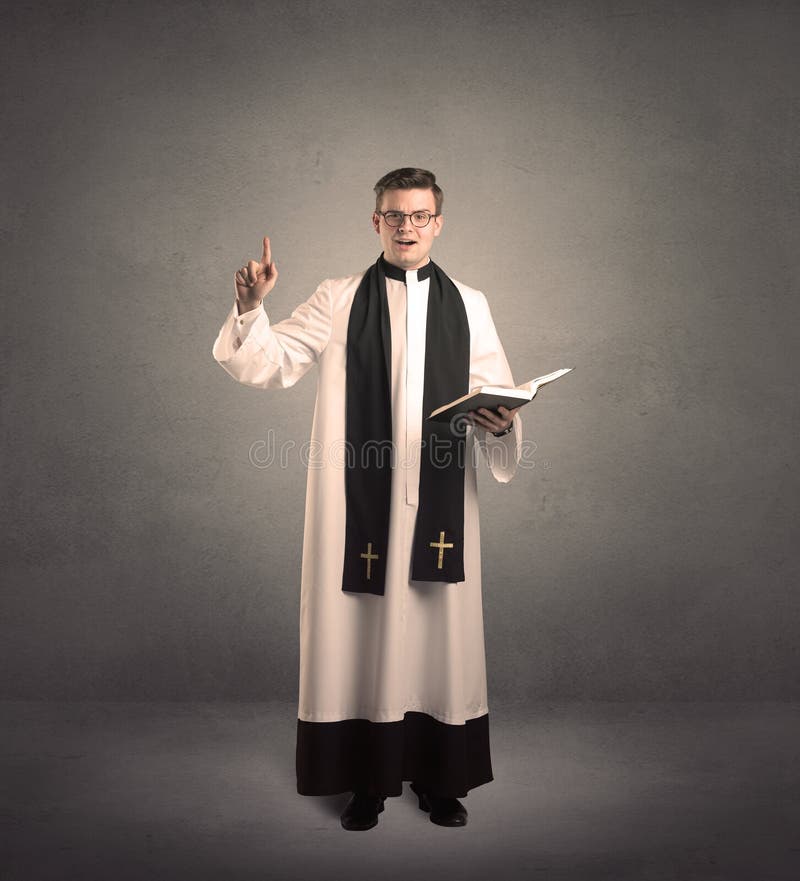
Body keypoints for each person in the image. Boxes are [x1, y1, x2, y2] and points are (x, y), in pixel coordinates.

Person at [212, 168, 523, 831]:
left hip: (437, 500)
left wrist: (501, 421)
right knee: (356, 632)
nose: (406, 226)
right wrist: (250, 309)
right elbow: (271, 361)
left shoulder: (469, 304)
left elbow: (495, 390)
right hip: (355, 506)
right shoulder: (338, 298)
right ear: (374, 221)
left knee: (440, 636)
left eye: (419, 215)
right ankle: (366, 782)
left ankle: (442, 780)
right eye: (393, 215)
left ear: (438, 222)